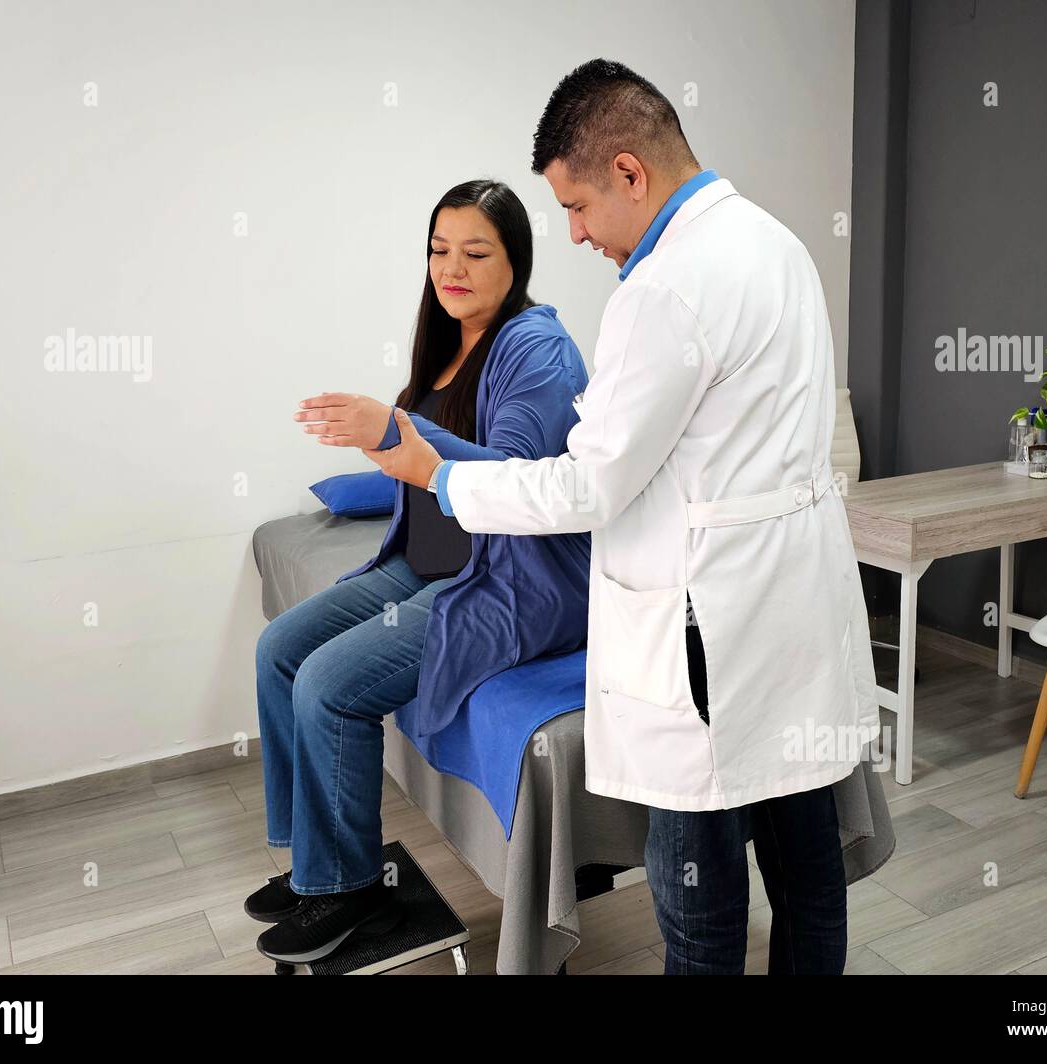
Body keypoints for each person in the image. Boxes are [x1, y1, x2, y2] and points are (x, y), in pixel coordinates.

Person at [365, 60, 882, 975]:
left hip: (704, 643)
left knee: (698, 900)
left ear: (631, 174)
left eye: (576, 207)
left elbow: (583, 486)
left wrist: (436, 475)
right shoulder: (778, 243)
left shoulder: (664, 290)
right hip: (795, 613)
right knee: (807, 869)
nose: (574, 233)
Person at [248, 179, 590, 965]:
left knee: (328, 684)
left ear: (517, 261)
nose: (452, 269)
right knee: (279, 651)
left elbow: (513, 478)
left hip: (505, 577)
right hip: (421, 565)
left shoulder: (536, 347)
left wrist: (397, 429)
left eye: (476, 252)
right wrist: (383, 443)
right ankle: (312, 865)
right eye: (439, 251)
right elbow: (418, 469)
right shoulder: (443, 340)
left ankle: (350, 891)